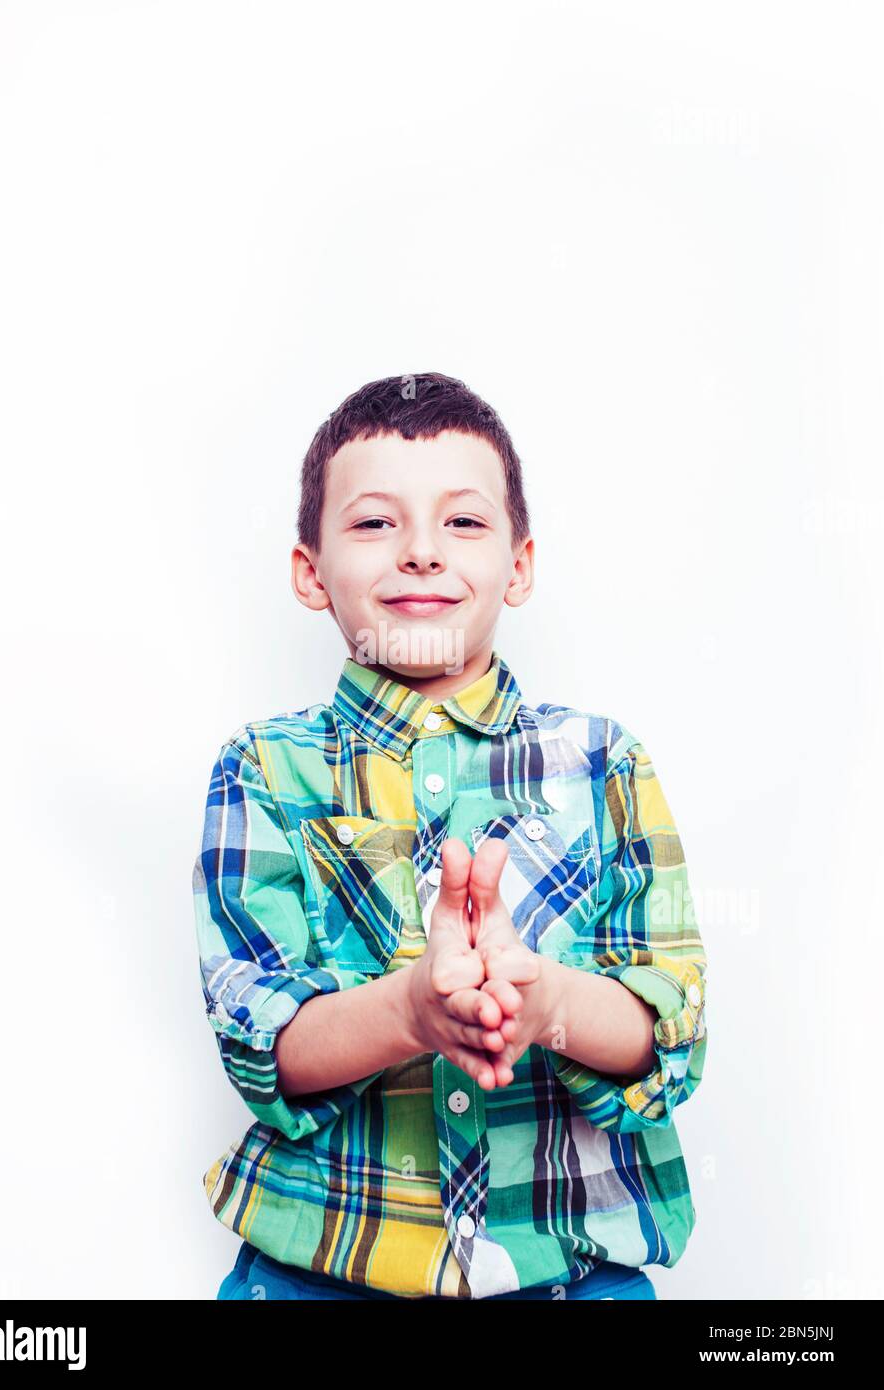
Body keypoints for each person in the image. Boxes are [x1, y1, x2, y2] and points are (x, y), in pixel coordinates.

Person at [193, 371, 708, 1300]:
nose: (422, 553)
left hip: (571, 1276)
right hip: (319, 1275)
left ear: (519, 564)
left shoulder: (605, 764)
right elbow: (259, 1040)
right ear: (311, 572)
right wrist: (410, 1014)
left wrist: (543, 998)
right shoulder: (263, 768)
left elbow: (667, 1033)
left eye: (463, 523)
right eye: (374, 523)